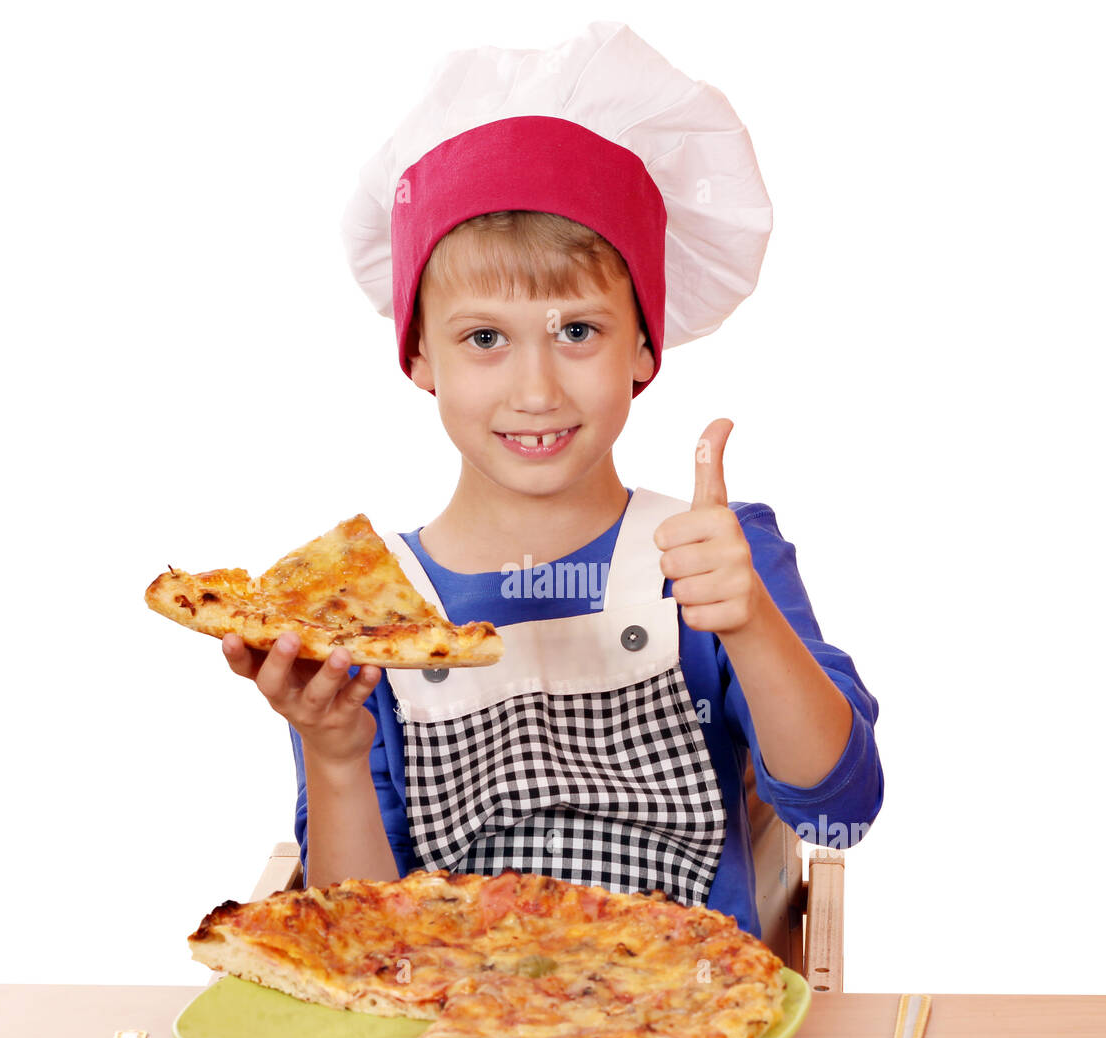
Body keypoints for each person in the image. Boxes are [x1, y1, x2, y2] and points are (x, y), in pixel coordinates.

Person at [221, 22, 883, 938]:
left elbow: (838, 810)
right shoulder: (373, 608)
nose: (535, 390)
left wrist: (752, 624)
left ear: (644, 347)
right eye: (484, 338)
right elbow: (364, 946)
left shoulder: (713, 556)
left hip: (693, 1031)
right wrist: (332, 754)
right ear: (419, 357)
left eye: (579, 331)